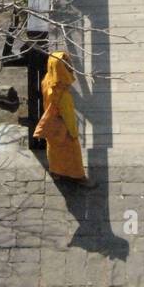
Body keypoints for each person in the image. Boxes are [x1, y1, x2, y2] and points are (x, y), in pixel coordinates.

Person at [33, 51, 93, 186]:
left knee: (54, 149)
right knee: (73, 153)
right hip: (63, 127)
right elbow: (68, 116)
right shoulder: (62, 95)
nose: (70, 66)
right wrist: (73, 132)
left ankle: (56, 171)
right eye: (67, 65)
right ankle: (79, 177)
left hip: (52, 124)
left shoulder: (47, 81)